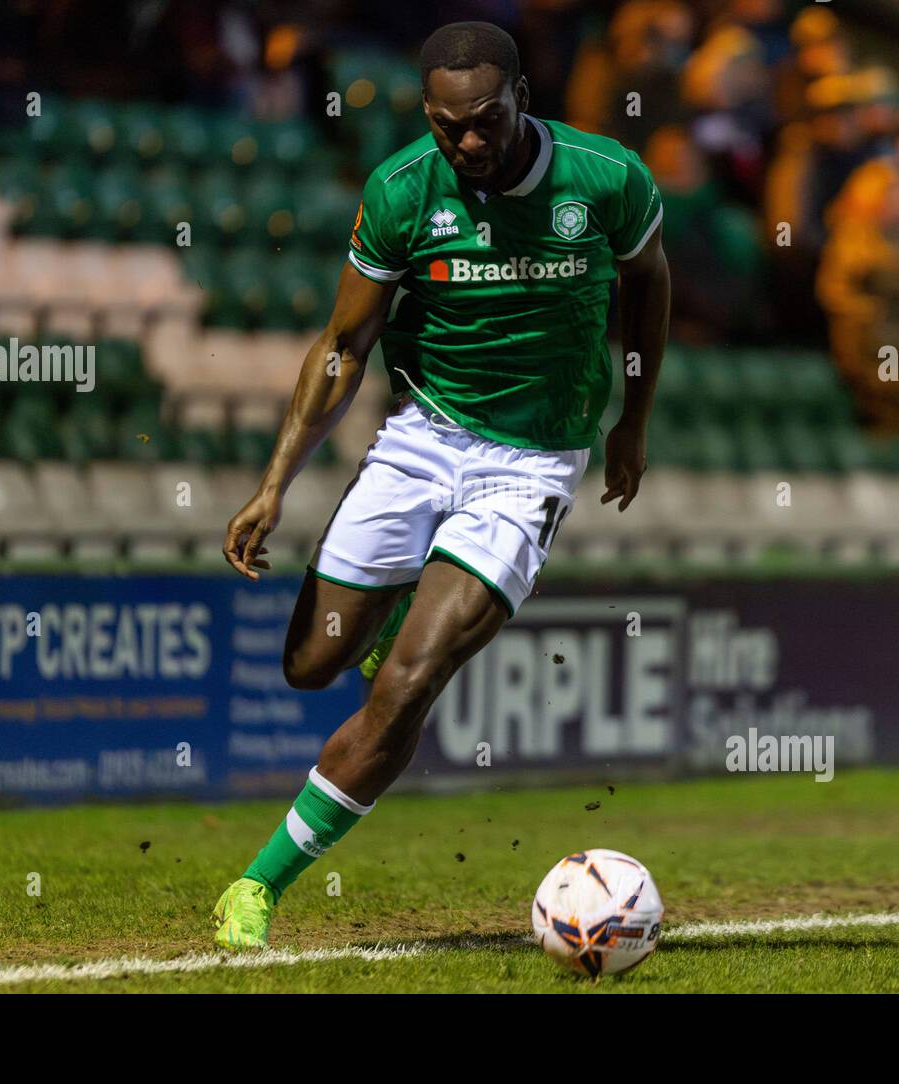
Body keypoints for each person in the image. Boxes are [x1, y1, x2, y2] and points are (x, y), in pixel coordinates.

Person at [211, 21, 670, 948]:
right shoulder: (400, 191)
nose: (467, 142)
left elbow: (648, 283)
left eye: (485, 121)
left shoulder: (608, 176)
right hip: (422, 439)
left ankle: (257, 887)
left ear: (520, 104)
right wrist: (274, 486)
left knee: (410, 682)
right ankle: (381, 637)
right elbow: (344, 345)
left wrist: (632, 420)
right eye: (446, 124)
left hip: (533, 460)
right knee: (310, 665)